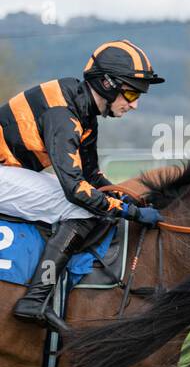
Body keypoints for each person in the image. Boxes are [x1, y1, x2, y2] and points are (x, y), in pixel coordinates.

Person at [0, 40, 164, 327]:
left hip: (9, 170)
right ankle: (35, 299)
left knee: (94, 203)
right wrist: (131, 214)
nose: (135, 104)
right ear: (106, 84)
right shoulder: (63, 114)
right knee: (81, 208)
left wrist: (127, 199)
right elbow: (76, 190)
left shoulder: (82, 110)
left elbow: (92, 177)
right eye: (130, 93)